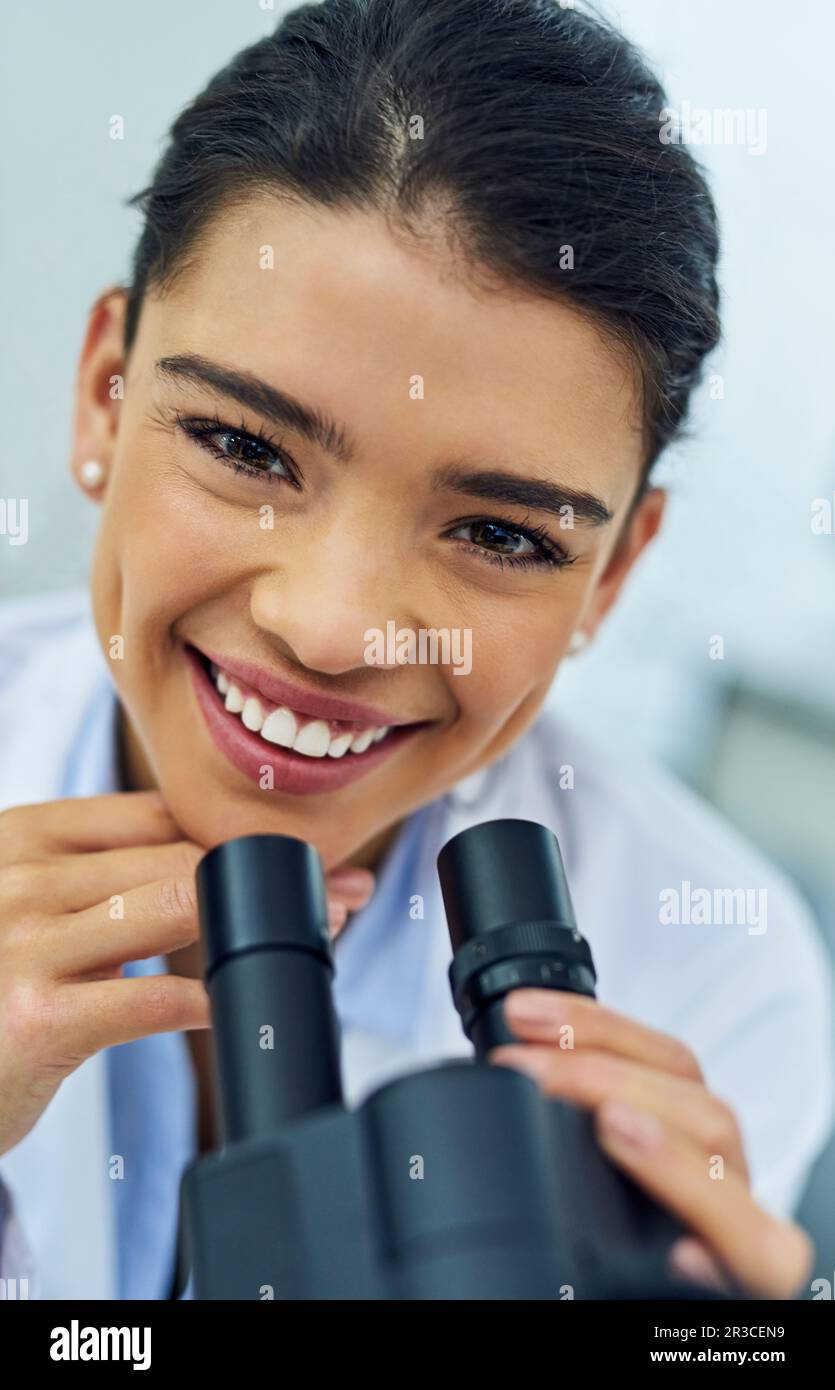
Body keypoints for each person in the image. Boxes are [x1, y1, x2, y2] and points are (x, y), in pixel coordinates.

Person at [0, 0, 831, 1301]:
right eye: (244, 446)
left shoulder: (715, 974)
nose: (330, 624)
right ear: (106, 392)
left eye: (501, 534)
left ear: (614, 570)